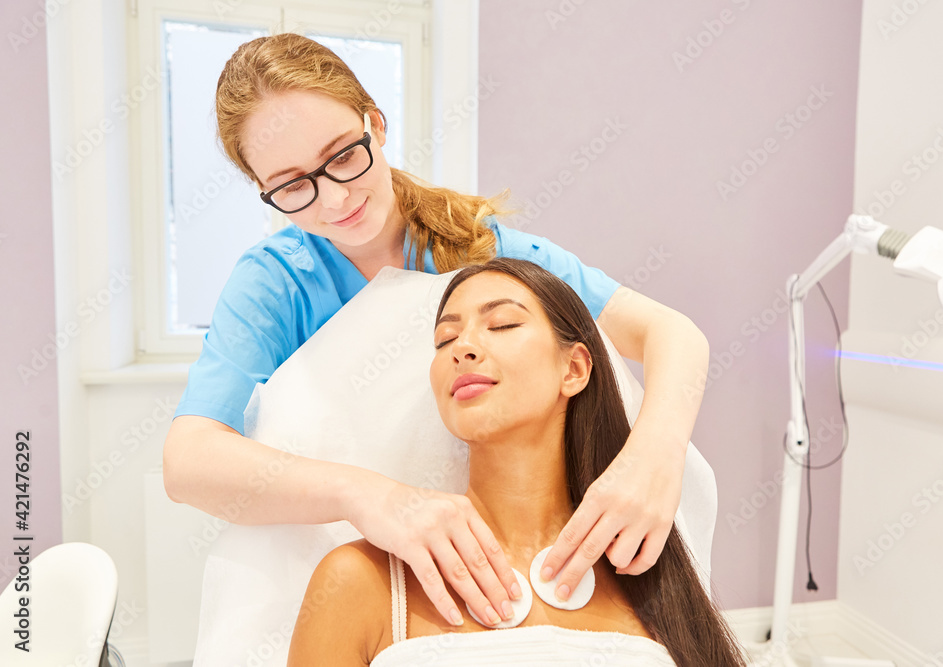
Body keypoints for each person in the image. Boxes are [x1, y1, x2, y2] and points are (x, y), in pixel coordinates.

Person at [163, 33, 712, 630]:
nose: (336, 197)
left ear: (374, 122)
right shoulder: (276, 284)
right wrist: (371, 497)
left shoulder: (483, 247)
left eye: (344, 154)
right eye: (295, 186)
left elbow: (671, 334)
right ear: (262, 187)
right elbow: (189, 461)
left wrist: (652, 460)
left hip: (498, 563)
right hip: (347, 573)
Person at [286, 258, 745, 666]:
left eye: (502, 324)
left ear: (575, 369)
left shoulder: (645, 574)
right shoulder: (359, 582)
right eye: (445, 338)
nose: (462, 348)